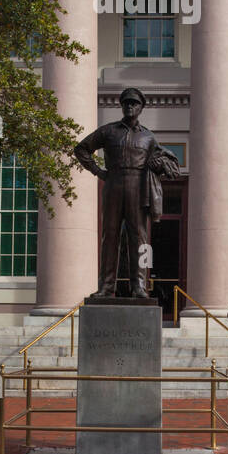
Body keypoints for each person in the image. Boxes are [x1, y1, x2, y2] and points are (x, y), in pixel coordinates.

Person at [73, 87, 179, 299]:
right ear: (121, 105)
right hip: (112, 185)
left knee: (139, 239)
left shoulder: (148, 137)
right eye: (127, 102)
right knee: (109, 237)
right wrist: (98, 172)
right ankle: (106, 286)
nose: (130, 106)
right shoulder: (108, 131)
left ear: (141, 107)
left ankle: (139, 286)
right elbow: (81, 149)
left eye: (135, 103)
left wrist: (160, 166)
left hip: (139, 189)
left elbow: (166, 163)